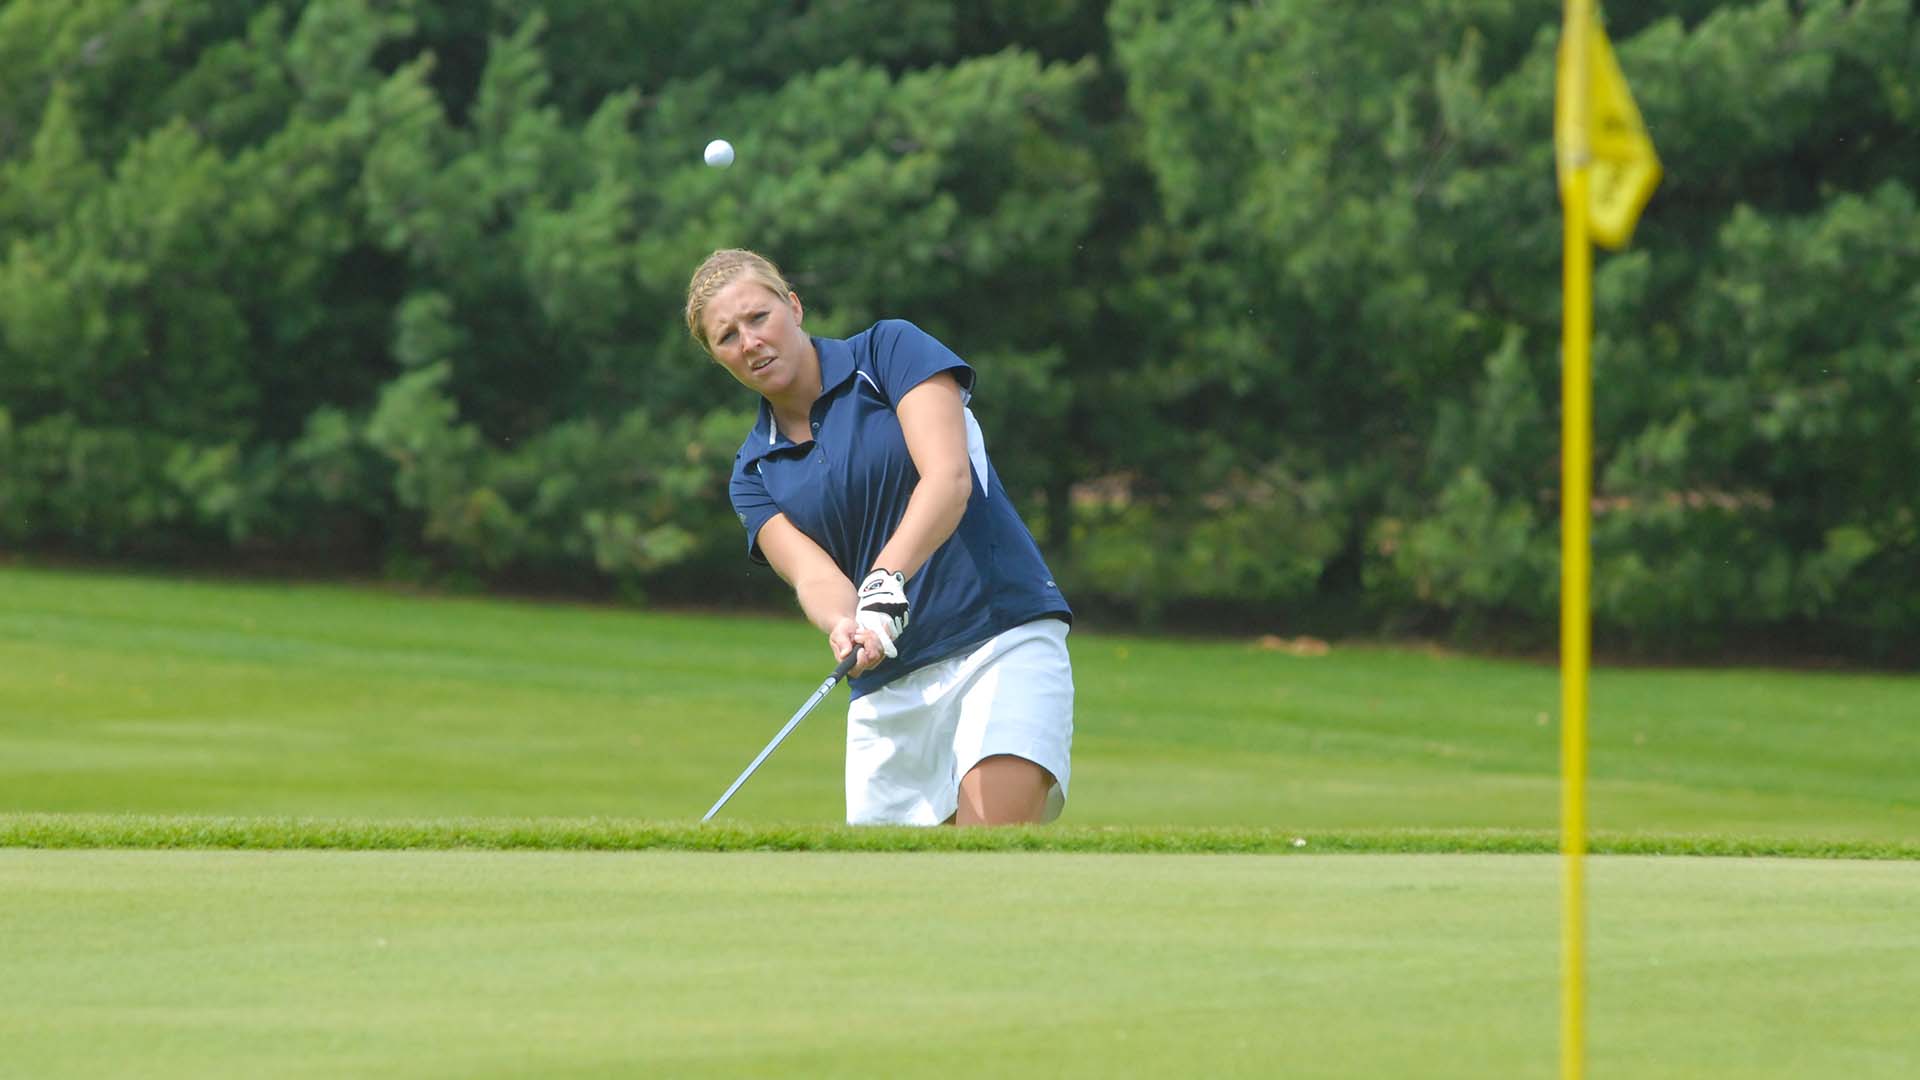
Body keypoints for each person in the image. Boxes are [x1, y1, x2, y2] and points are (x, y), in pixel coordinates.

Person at [685, 248, 1074, 826]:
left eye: (758, 318)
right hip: (889, 689)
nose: (750, 342)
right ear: (717, 358)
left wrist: (886, 577)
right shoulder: (753, 473)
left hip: (996, 640)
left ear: (793, 307)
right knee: (899, 902)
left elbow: (948, 478)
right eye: (727, 337)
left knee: (987, 864)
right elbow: (814, 574)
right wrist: (844, 624)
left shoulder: (890, 351)